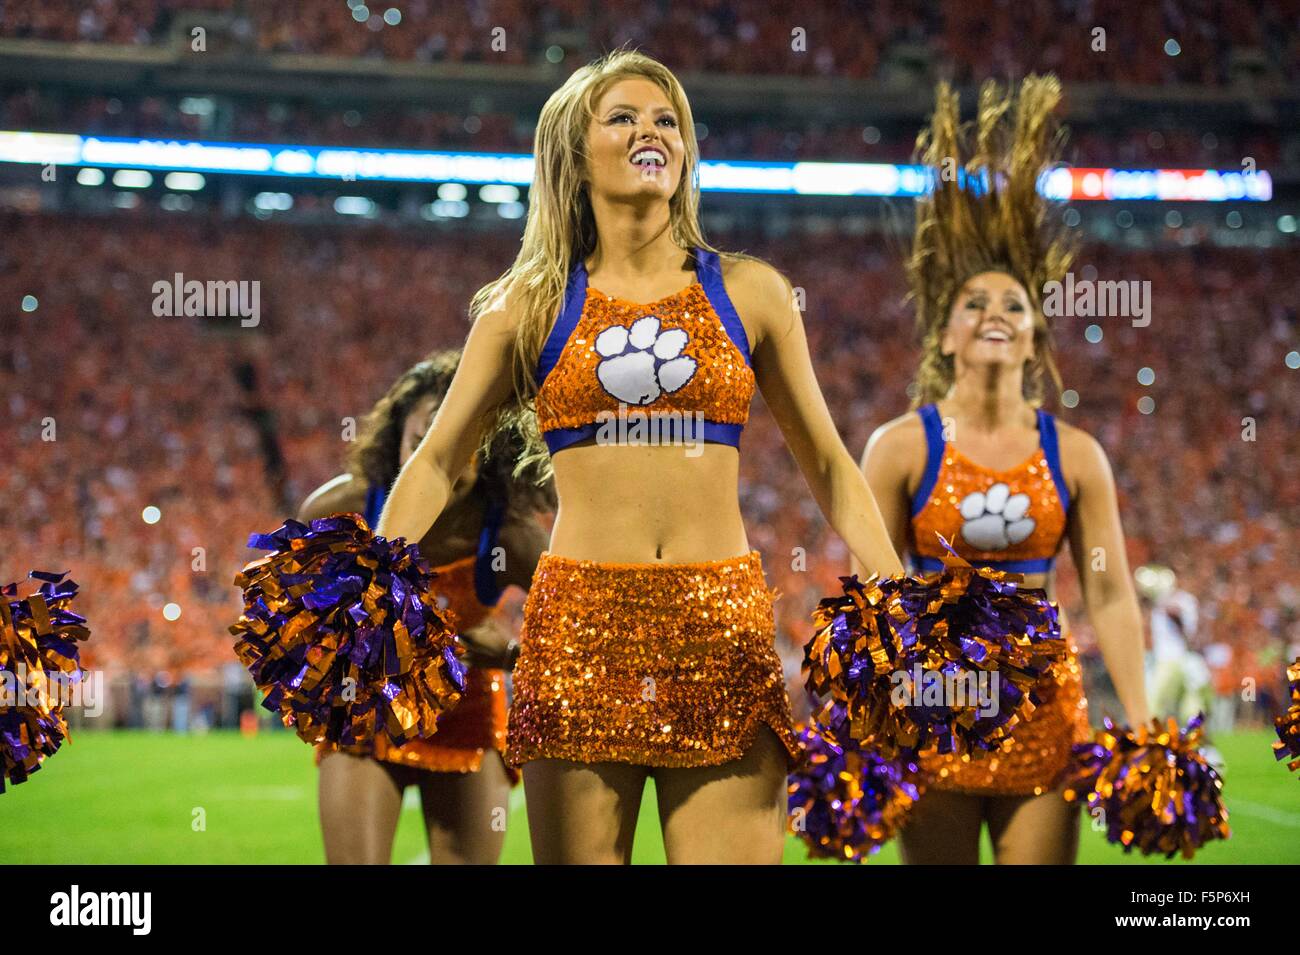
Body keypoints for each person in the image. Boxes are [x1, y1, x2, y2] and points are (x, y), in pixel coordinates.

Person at [374, 49, 903, 864]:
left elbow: (831, 465)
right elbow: (440, 458)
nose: (650, 130)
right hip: (580, 626)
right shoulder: (529, 304)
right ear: (573, 154)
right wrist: (373, 585)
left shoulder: (753, 291)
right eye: (622, 117)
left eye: (667, 120)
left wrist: (899, 596)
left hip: (718, 623)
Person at [858, 76, 1151, 864]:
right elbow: (872, 595)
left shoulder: (1077, 453)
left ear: (1034, 341)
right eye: (975, 303)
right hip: (933, 706)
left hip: (1043, 709)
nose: (996, 312)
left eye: (1016, 306)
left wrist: (1145, 716)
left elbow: (1111, 591)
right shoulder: (899, 446)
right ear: (945, 337)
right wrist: (866, 715)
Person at [299, 350, 552, 864]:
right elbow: (289, 618)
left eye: (465, 445)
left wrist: (505, 657)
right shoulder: (337, 510)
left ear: (488, 452)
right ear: (397, 443)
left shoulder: (509, 537)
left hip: (468, 713)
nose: (442, 458)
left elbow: (574, 643)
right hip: (365, 709)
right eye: (423, 440)